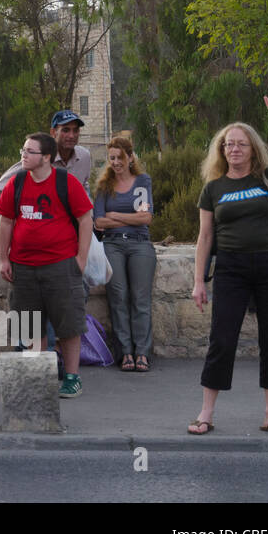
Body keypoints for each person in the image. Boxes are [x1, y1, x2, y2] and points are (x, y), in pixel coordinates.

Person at [189, 96, 268, 435]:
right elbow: (205, 238)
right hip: (231, 269)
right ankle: (206, 413)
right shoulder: (213, 189)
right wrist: (198, 281)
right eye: (229, 145)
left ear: (252, 150)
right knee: (222, 339)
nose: (234, 149)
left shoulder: (266, 179)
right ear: (222, 151)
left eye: (241, 144)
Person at [0, 131, 94, 398]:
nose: (24, 156)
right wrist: (4, 257)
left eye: (30, 151)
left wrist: (81, 259)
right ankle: (38, 376)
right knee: (30, 324)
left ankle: (72, 378)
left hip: (61, 265)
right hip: (24, 267)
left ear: (47, 157)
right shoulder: (16, 182)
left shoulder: (66, 182)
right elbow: (5, 220)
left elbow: (86, 218)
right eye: (23, 151)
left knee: (68, 325)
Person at [93, 136, 156, 372]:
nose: (116, 162)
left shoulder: (142, 181)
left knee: (140, 298)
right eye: (112, 158)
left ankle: (142, 352)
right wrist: (127, 218)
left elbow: (146, 218)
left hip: (140, 244)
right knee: (118, 297)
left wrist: (114, 216)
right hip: (113, 245)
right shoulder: (104, 186)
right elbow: (99, 222)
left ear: (131, 157)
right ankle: (125, 352)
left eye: (121, 157)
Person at [0, 110, 94, 194]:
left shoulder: (84, 157)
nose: (72, 136)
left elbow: (84, 186)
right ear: (53, 132)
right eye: (66, 130)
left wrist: (90, 213)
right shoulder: (40, 156)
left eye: (76, 130)